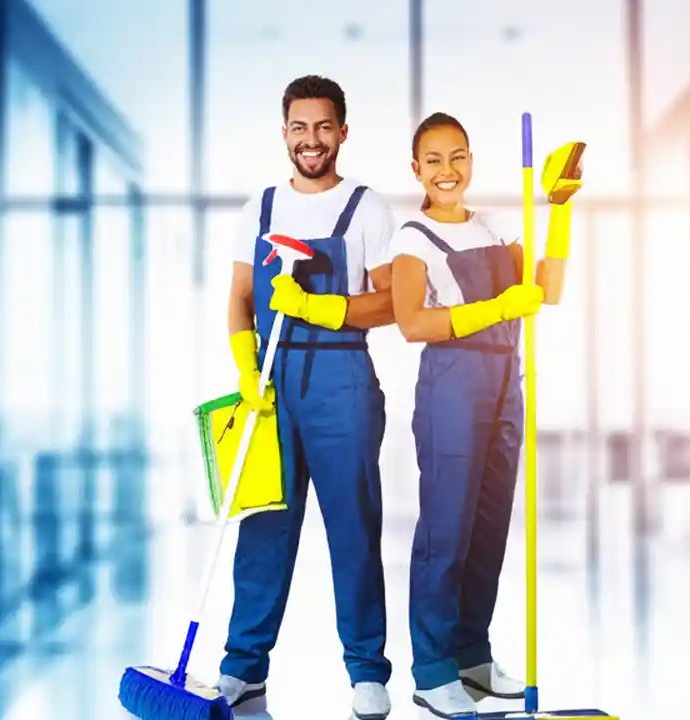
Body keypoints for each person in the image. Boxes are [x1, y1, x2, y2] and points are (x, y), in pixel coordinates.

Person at [218, 74, 397, 720]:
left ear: (342, 131)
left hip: (341, 379)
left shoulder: (368, 208)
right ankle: (243, 669)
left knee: (352, 528)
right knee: (263, 527)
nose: (311, 140)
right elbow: (240, 300)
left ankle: (367, 671)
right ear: (285, 132)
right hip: (269, 383)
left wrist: (321, 307)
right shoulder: (259, 209)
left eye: (324, 127)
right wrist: (245, 370)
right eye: (300, 127)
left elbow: (392, 303)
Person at [389, 112, 573, 718]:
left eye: (458, 157)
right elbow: (414, 322)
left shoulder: (495, 229)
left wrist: (560, 208)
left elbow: (547, 290)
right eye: (435, 160)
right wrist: (494, 306)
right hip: (451, 388)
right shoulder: (412, 237)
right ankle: (432, 668)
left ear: (471, 161)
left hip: (504, 387)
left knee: (488, 530)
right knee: (446, 533)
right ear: (417, 169)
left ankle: (471, 655)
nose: (448, 171)